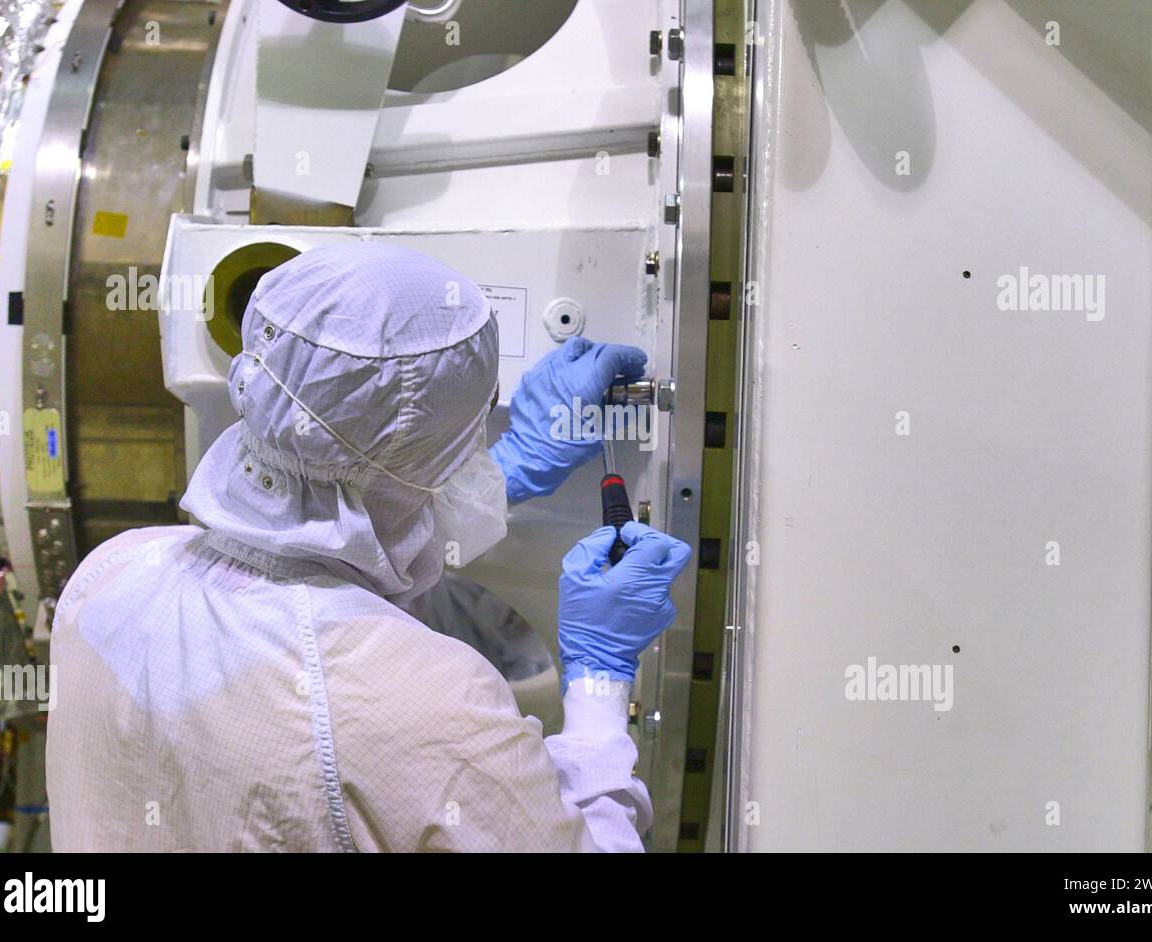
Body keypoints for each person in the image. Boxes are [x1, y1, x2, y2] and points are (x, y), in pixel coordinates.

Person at [45, 243, 691, 852]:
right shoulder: (431, 703)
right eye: (474, 422)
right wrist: (600, 690)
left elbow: (336, 549)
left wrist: (503, 472)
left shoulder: (108, 575)